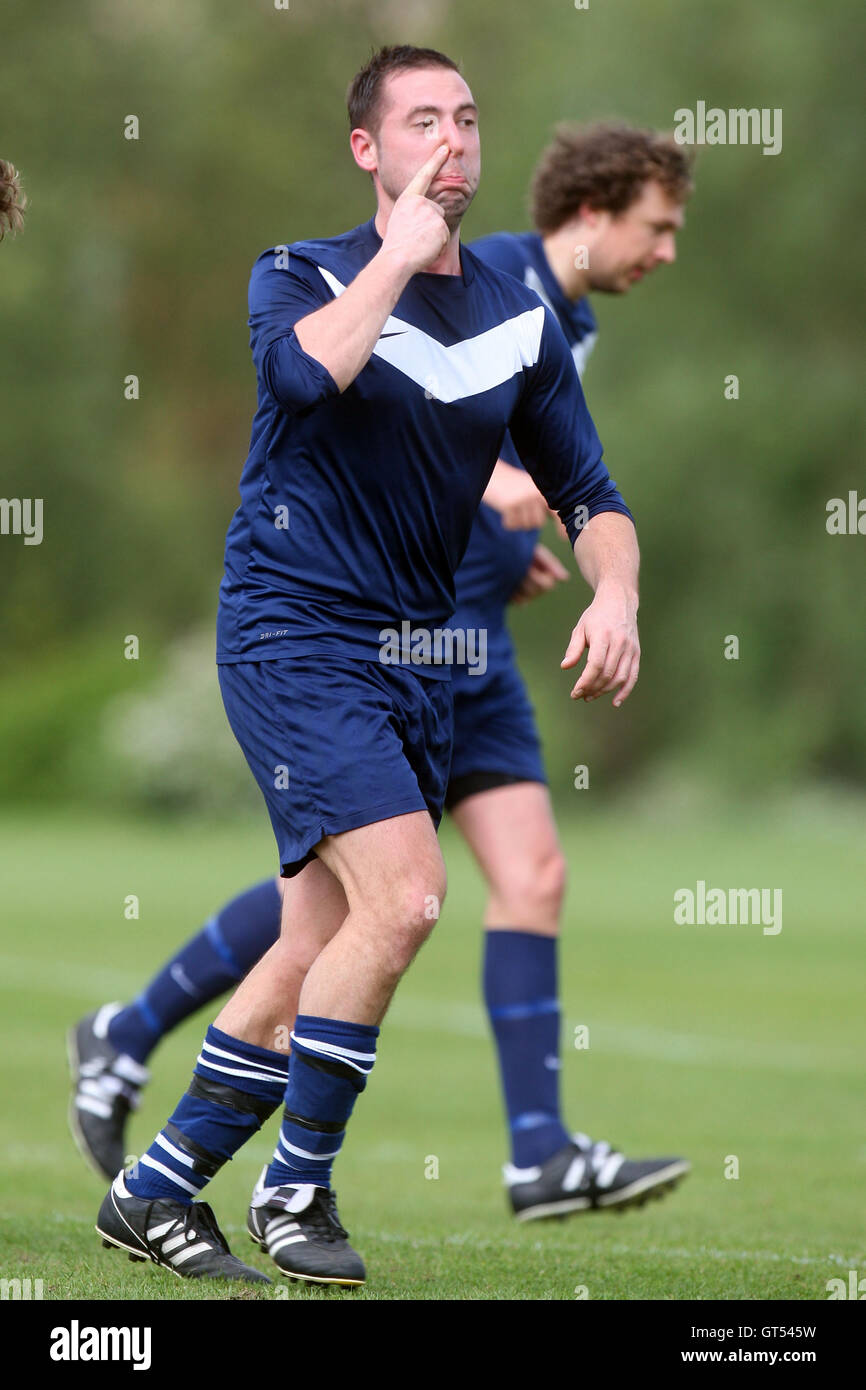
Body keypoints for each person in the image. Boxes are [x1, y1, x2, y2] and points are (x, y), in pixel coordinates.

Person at [72, 122, 693, 1249]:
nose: (665, 251)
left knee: (481, 878)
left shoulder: (570, 323)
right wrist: (500, 483)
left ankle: (532, 1146)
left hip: (470, 635)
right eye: (656, 227)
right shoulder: (487, 273)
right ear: (591, 215)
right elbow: (374, 393)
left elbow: (542, 467)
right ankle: (179, 1080)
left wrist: (545, 552)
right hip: (380, 633)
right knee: (379, 886)